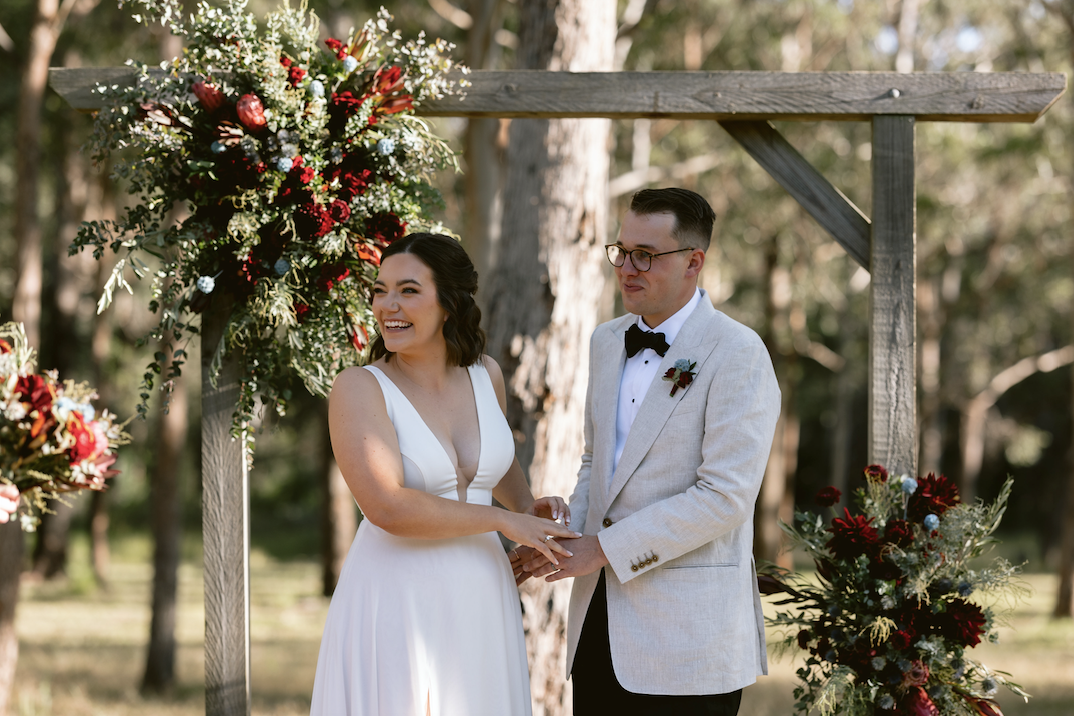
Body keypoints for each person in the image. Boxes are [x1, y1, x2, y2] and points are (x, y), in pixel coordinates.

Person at [515, 188, 781, 715]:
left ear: (693, 262)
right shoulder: (606, 340)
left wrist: (606, 549)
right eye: (621, 251)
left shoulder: (738, 352)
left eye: (646, 255)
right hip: (598, 624)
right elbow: (598, 461)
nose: (627, 268)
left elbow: (724, 497)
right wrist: (569, 536)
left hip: (690, 641)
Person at [310, 232, 580, 716]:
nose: (387, 305)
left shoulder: (485, 374)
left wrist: (527, 508)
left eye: (408, 290)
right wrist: (502, 522)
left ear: (450, 303)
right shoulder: (359, 388)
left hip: (483, 590)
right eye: (380, 289)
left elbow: (494, 469)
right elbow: (387, 506)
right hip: (397, 595)